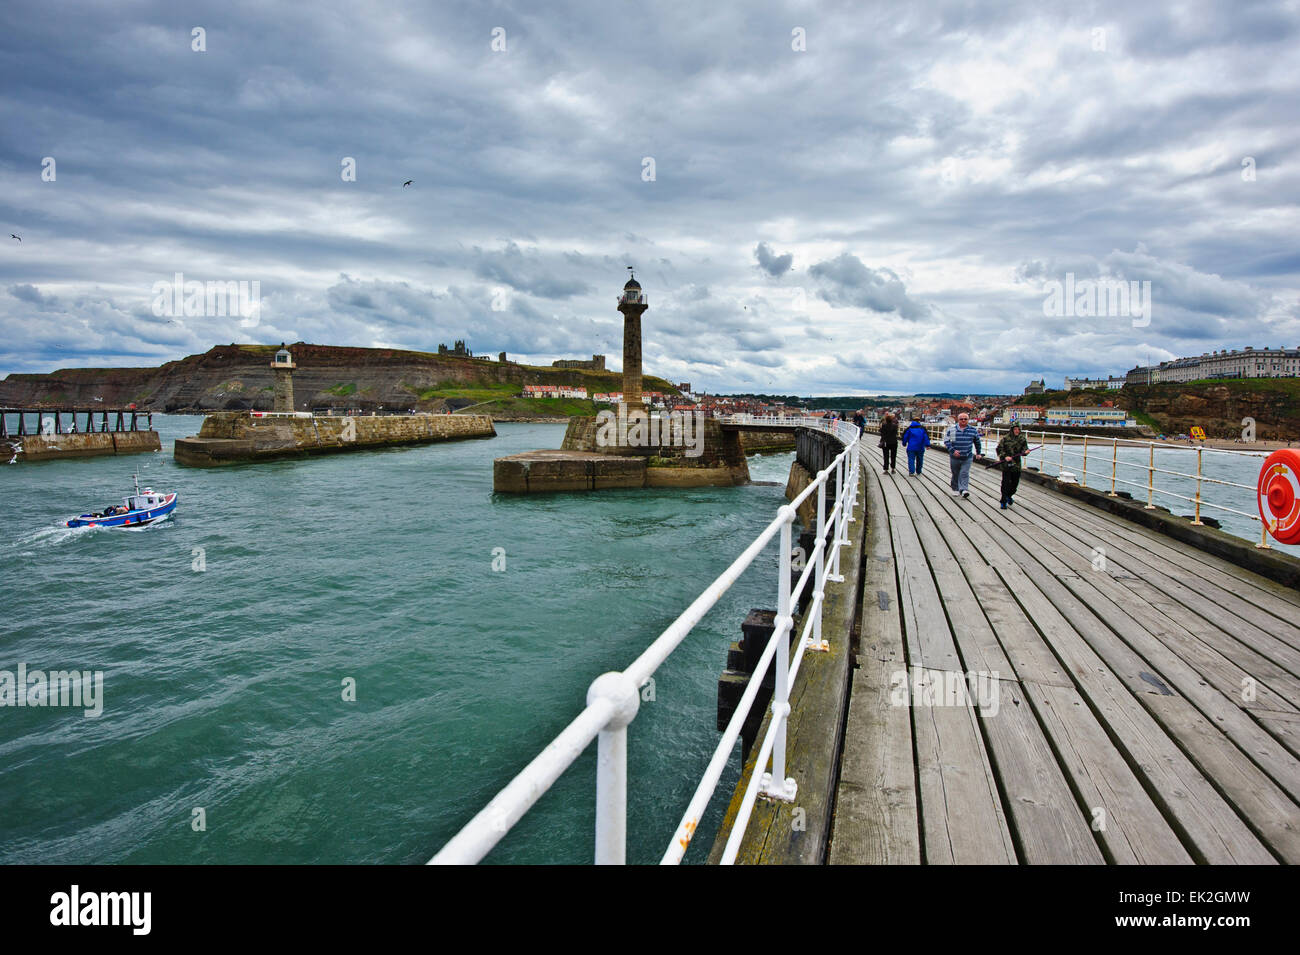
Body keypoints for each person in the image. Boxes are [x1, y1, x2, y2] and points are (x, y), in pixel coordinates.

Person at [943, 412, 982, 498]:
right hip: (955, 457)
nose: (963, 420)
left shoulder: (972, 430)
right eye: (961, 419)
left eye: (965, 419)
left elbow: (977, 442)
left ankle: (964, 489)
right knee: (955, 473)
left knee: (964, 473)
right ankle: (955, 488)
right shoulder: (953, 430)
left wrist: (978, 453)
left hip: (967, 456)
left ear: (968, 420)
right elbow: (947, 442)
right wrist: (953, 451)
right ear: (958, 420)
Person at [995, 423, 1030, 508]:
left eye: (1018, 429)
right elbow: (999, 449)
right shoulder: (1005, 438)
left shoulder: (1022, 439)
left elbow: (1024, 449)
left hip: (1017, 464)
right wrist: (1005, 456)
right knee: (1005, 483)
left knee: (1015, 484)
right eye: (1015, 429)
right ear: (1011, 430)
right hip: (1006, 464)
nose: (1017, 431)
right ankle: (1003, 501)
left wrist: (1026, 452)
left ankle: (1009, 496)